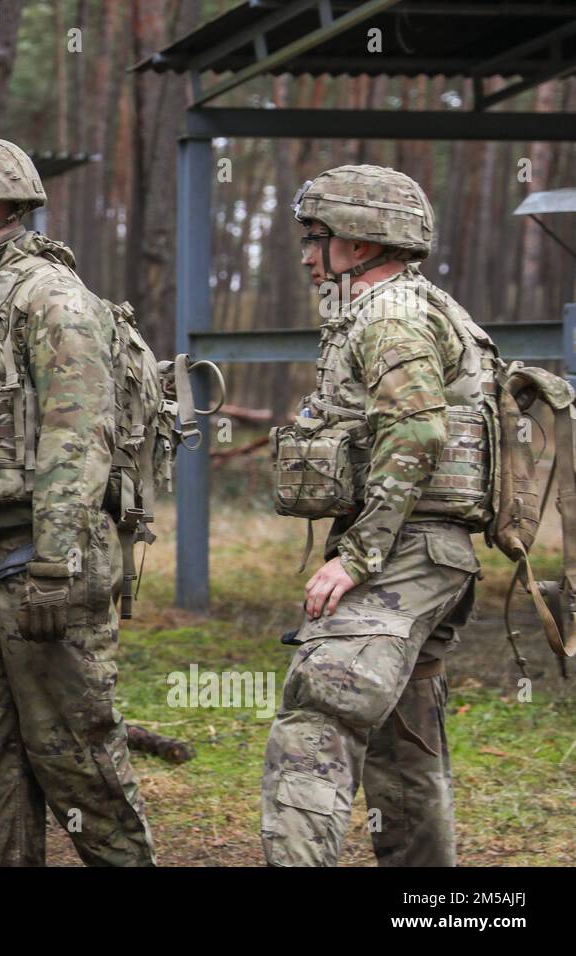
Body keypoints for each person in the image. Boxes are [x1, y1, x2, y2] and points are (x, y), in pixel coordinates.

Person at [0, 136, 156, 866]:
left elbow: (75, 433)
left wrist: (57, 561)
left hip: (36, 570)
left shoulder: (49, 299)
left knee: (78, 765)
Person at [263, 165, 490, 867]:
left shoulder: (389, 319)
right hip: (431, 550)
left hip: (406, 553)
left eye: (316, 238)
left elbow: (418, 429)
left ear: (359, 245)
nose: (306, 254)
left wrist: (358, 557)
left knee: (318, 717)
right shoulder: (411, 307)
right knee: (403, 745)